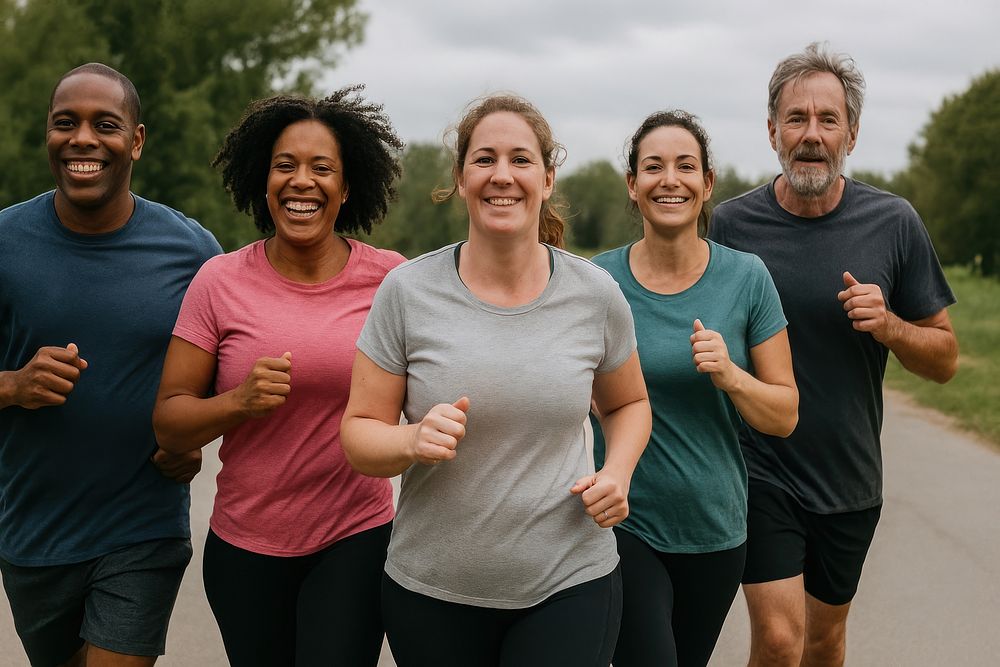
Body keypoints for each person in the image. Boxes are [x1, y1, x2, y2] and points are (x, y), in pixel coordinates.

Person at [340, 94, 652, 667]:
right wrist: (410, 441)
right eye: (484, 160)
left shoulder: (594, 294)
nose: (502, 176)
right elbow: (359, 434)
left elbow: (629, 403)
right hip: (431, 589)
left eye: (521, 159)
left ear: (548, 177)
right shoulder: (407, 293)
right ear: (460, 178)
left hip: (570, 580)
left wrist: (617, 472)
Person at [708, 42, 959, 666]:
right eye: (797, 119)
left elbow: (946, 359)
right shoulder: (732, 226)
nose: (812, 135)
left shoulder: (893, 222)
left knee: (823, 644)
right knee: (778, 639)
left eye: (827, 120)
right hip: (758, 466)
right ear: (772, 132)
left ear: (852, 132)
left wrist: (892, 326)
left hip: (847, 475)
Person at [151, 86, 405, 667]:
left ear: (346, 187)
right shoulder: (219, 281)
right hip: (247, 545)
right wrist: (237, 402)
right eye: (284, 165)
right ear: (262, 181)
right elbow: (170, 422)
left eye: (323, 168)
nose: (302, 181)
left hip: (356, 534)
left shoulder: (392, 280)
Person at [0, 63, 221, 667]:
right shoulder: (6, 241)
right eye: (64, 123)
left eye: (106, 124)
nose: (83, 139)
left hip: (142, 525)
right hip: (33, 532)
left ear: (138, 140)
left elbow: (220, 376)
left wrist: (193, 435)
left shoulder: (192, 254)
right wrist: (13, 385)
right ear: (47, 134)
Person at [590, 110, 799, 667]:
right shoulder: (597, 283)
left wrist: (731, 375)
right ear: (633, 186)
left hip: (714, 527)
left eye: (686, 167)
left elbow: (784, 415)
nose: (670, 180)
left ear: (707, 185)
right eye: (653, 167)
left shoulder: (747, 278)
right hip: (622, 521)